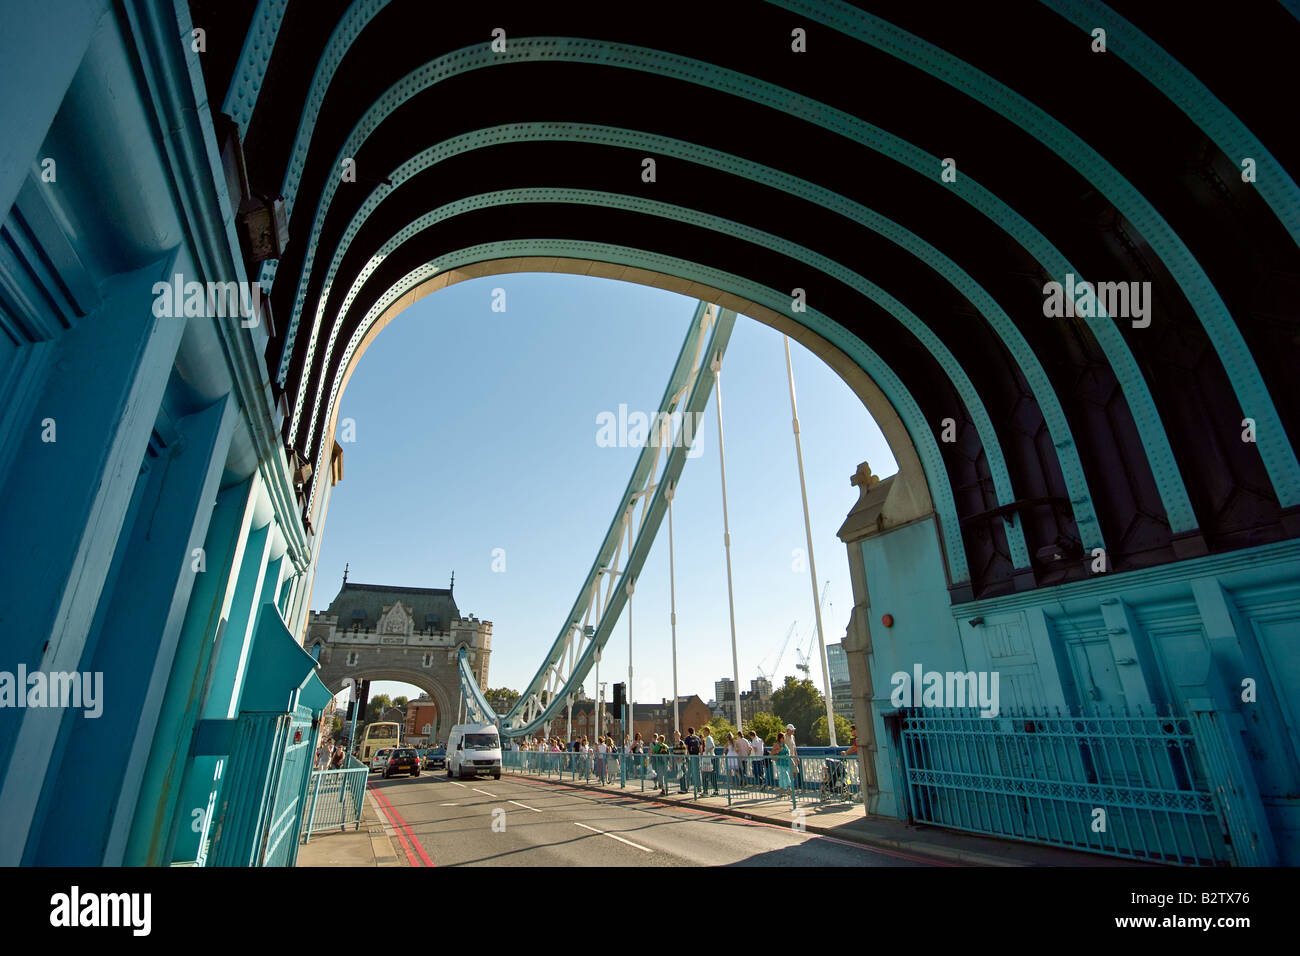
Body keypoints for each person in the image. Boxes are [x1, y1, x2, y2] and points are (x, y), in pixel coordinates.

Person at [701, 726, 718, 796]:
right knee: (706, 775)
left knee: (711, 775)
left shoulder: (708, 738)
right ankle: (706, 790)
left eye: (704, 731)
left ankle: (715, 790)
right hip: (708, 758)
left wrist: (707, 751)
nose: (703, 733)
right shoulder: (707, 738)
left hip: (710, 758)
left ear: (707, 731)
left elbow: (713, 746)